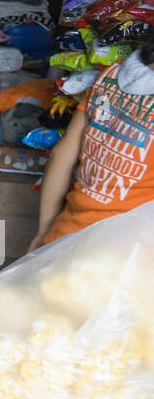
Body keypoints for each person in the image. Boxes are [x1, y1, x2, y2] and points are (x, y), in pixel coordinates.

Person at [32, 40, 154, 249]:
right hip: (128, 255)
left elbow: (60, 156)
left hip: (66, 236)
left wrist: (44, 231)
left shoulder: (112, 74)